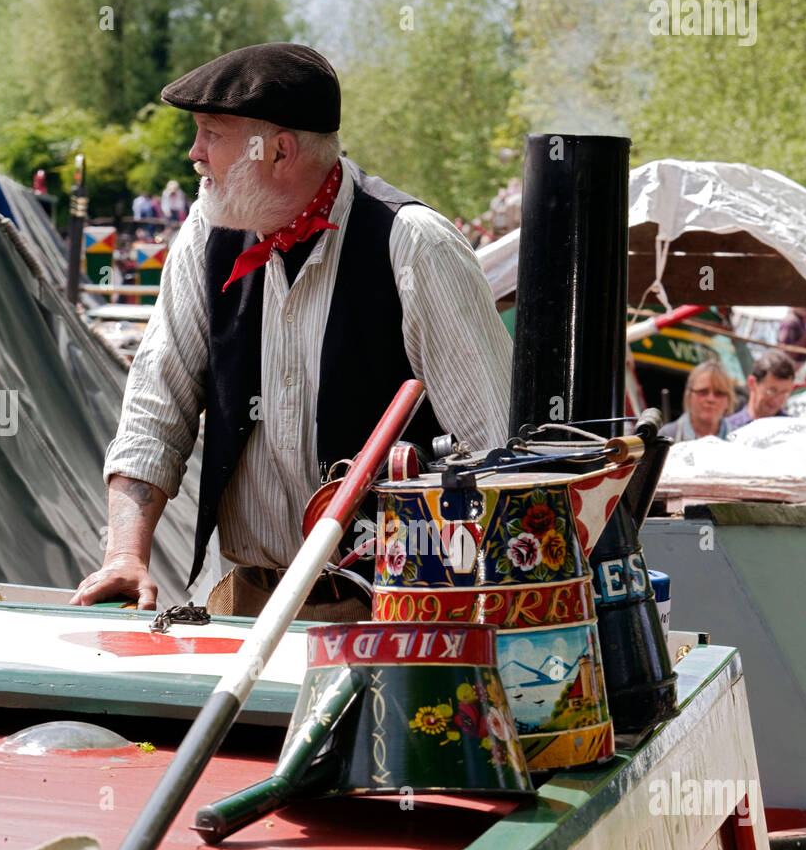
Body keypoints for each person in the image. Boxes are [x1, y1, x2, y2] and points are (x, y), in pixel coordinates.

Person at [70, 42, 512, 620]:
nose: (194, 152)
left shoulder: (414, 245)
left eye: (211, 132)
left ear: (279, 151)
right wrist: (125, 555)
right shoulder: (207, 235)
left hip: (392, 614)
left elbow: (496, 455)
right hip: (248, 602)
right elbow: (156, 409)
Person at [659, 361, 736, 441]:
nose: (711, 399)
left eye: (719, 393)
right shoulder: (666, 437)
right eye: (703, 392)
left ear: (728, 399)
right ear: (689, 396)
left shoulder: (741, 440)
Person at [726, 352, 796, 431]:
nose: (776, 400)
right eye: (771, 391)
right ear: (751, 383)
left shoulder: (793, 429)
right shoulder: (728, 429)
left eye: (784, 393)